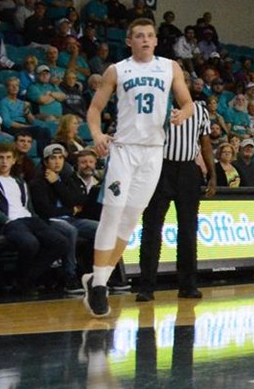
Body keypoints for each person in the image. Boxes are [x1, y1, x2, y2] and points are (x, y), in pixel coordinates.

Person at [81, 18, 195, 316]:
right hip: (123, 150)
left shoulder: (170, 67)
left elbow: (188, 102)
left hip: (154, 152)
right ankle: (99, 286)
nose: (145, 40)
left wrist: (183, 112)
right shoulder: (116, 70)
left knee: (131, 220)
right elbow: (94, 109)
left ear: (156, 41)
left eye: (150, 35)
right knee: (113, 213)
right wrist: (96, 135)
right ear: (129, 41)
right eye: (139, 36)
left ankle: (98, 279)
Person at [0, 140, 79, 296]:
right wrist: (5, 220)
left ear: (14, 160)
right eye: (1, 158)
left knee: (61, 243)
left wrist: (35, 219)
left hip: (29, 219)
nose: (4, 161)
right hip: (8, 222)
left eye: (8, 158)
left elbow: (28, 206)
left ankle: (24, 280)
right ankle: (25, 282)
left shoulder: (19, 181)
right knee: (30, 243)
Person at [139, 99, 211, 302]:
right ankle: (146, 286)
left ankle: (188, 285)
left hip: (188, 169)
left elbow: (205, 142)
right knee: (152, 228)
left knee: (188, 229)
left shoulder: (199, 110)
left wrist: (211, 173)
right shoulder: (159, 104)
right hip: (160, 168)